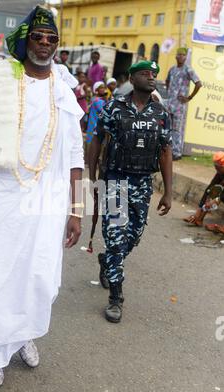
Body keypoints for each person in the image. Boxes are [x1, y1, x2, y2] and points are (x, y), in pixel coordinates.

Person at [0, 5, 84, 388]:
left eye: (51, 39)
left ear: (57, 45)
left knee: (40, 276)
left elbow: (76, 154)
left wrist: (77, 209)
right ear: (24, 40)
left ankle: (22, 333)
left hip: (47, 200)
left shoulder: (63, 89)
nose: (44, 44)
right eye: (37, 37)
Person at [89, 61, 172, 323]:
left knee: (133, 236)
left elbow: (165, 151)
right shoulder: (114, 107)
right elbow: (97, 139)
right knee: (115, 237)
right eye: (145, 73)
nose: (151, 77)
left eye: (154, 74)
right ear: (132, 78)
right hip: (115, 180)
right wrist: (91, 177)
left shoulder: (160, 113)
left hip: (142, 184)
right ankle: (116, 297)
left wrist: (169, 192)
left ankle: (108, 261)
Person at [166, 47, 202, 161]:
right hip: (169, 104)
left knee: (177, 129)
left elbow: (198, 83)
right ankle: (169, 151)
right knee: (168, 128)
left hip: (179, 106)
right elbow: (167, 81)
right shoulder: (172, 69)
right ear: (176, 56)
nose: (181, 57)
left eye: (183, 55)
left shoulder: (188, 70)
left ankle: (177, 153)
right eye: (179, 55)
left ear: (186, 57)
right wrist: (170, 93)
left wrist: (189, 97)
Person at [183, 151, 224, 232]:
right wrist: (200, 209)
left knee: (217, 198)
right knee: (213, 191)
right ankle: (199, 219)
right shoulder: (220, 173)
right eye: (215, 166)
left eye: (218, 167)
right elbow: (209, 189)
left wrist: (216, 200)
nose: (216, 169)